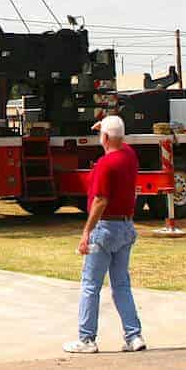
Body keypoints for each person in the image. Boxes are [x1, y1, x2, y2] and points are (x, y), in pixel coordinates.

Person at [65, 114, 146, 354]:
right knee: (121, 284)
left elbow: (100, 200)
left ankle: (86, 339)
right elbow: (120, 142)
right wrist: (109, 129)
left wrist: (86, 232)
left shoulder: (105, 165)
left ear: (105, 137)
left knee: (91, 284)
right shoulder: (129, 156)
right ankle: (134, 335)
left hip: (105, 229)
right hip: (126, 227)